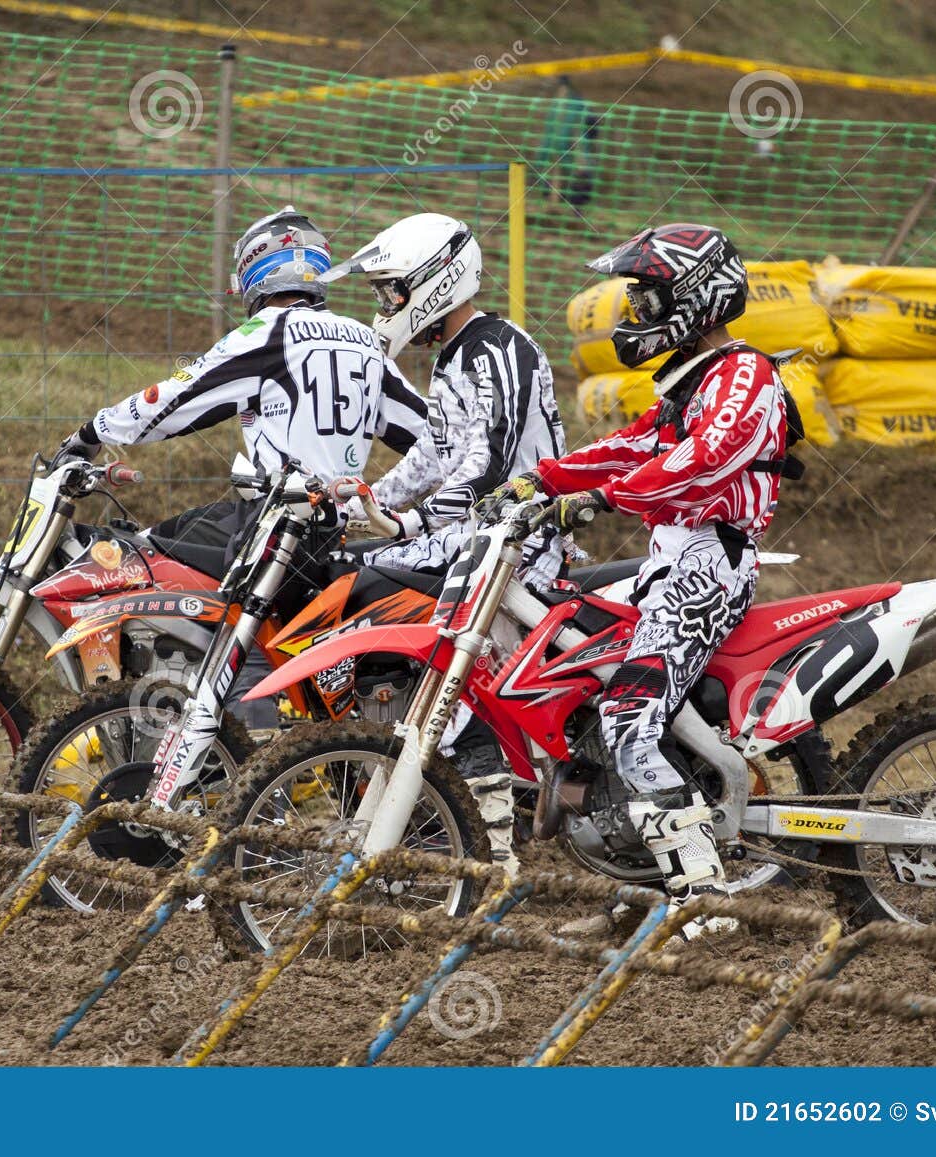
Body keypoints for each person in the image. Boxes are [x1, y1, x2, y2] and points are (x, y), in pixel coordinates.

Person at [485, 223, 795, 937]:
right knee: (593, 697)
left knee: (628, 719)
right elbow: (632, 445)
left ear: (693, 297)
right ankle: (645, 887)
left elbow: (705, 460)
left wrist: (600, 498)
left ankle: (707, 901)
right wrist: (539, 479)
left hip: (707, 568)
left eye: (647, 295)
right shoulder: (693, 378)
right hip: (669, 560)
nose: (636, 310)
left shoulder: (744, 373)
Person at [55, 206, 429, 725]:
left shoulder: (265, 332)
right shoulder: (367, 340)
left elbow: (173, 401)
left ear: (254, 270)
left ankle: (248, 770)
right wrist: (381, 501)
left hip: (278, 524)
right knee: (174, 538)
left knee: (233, 634)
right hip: (331, 528)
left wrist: (93, 433)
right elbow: (429, 435)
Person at [323, 212, 568, 873]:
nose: (385, 307)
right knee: (344, 567)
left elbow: (483, 468)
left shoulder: (497, 349)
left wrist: (404, 525)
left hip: (519, 544)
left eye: (391, 292)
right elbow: (436, 453)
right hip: (476, 542)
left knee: (360, 584)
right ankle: (447, 779)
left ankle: (485, 826)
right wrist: (364, 497)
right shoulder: (455, 356)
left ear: (435, 282)